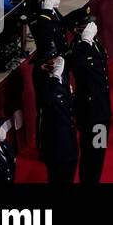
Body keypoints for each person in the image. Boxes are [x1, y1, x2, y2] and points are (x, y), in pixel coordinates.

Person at [68, 8, 111, 184]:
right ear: (78, 29)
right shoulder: (78, 48)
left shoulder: (94, 43)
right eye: (87, 24)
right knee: (91, 154)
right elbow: (77, 67)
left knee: (98, 152)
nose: (92, 26)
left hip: (101, 110)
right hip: (91, 114)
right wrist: (85, 42)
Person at [35, 49, 78, 184]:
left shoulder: (61, 78)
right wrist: (54, 78)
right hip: (56, 149)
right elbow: (49, 101)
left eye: (56, 57)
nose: (55, 61)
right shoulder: (45, 82)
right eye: (50, 59)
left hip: (69, 145)